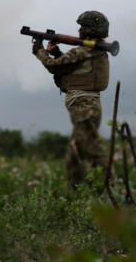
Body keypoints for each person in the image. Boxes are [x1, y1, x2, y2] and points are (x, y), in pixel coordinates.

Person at [32, 11, 110, 187]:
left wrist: (40, 51)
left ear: (90, 30)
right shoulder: (97, 50)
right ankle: (77, 192)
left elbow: (53, 66)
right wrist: (58, 52)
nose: (79, 30)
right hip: (87, 103)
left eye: (82, 26)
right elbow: (71, 68)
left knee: (92, 147)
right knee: (76, 152)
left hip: (84, 104)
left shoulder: (85, 51)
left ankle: (112, 189)